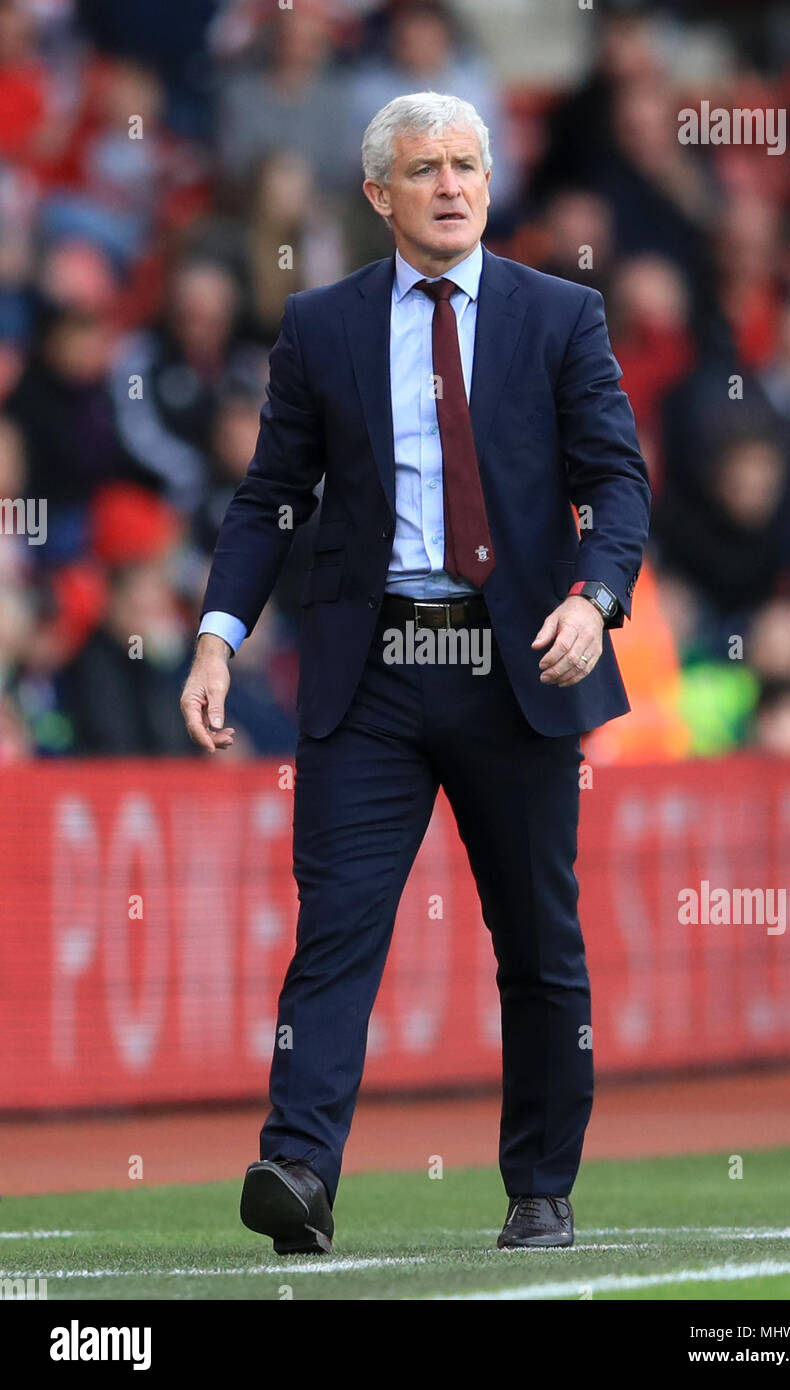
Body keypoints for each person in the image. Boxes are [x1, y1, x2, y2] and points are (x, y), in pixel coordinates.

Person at [181, 92, 650, 1254]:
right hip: (372, 666)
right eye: (424, 169)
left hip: (517, 664)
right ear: (378, 194)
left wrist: (596, 602)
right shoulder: (321, 324)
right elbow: (270, 498)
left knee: (538, 941)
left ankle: (540, 1186)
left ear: (490, 185)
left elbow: (619, 481)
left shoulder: (562, 314)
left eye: (466, 166)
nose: (449, 186)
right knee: (336, 924)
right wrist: (216, 634)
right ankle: (297, 1170)